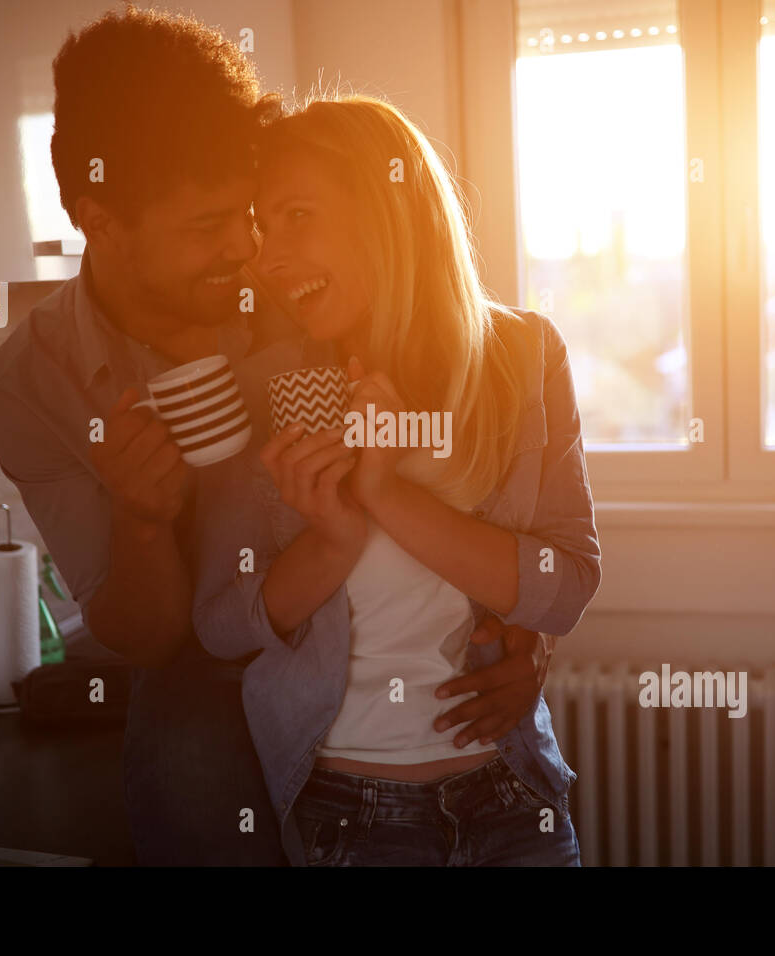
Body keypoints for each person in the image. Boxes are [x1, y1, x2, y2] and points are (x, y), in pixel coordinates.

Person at [0, 6, 555, 866]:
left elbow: (473, 415)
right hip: (202, 674)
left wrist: (522, 618)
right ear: (98, 219)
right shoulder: (36, 385)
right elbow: (145, 638)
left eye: (250, 213)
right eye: (208, 226)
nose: (250, 247)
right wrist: (143, 520)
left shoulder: (294, 271)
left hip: (373, 676)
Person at [191, 94, 602, 865]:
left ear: (390, 210)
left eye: (297, 216)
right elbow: (222, 625)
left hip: (515, 800)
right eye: (261, 225)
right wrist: (336, 538)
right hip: (355, 823)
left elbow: (567, 585)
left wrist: (385, 493)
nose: (266, 258)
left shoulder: (522, 358)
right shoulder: (265, 388)